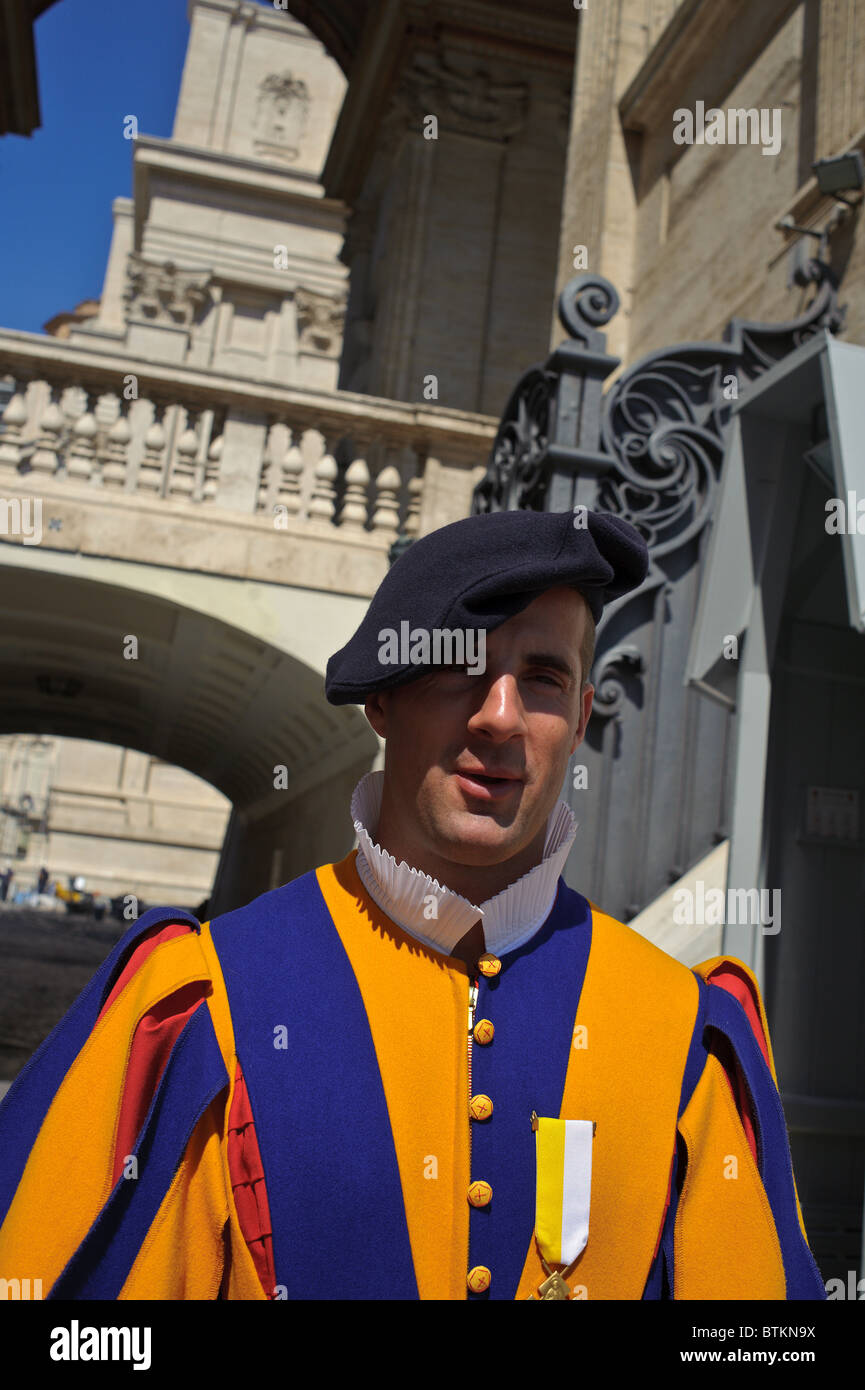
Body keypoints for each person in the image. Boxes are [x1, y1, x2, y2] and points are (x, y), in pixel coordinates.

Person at [0, 509, 824, 1300]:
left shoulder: (685, 1032)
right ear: (383, 698)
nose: (499, 716)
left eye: (541, 679)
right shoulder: (203, 1000)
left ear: (578, 720)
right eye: (460, 666)